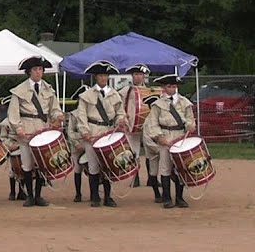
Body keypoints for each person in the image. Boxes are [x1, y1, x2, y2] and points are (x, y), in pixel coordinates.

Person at [6, 56, 64, 207]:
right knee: (27, 165)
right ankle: (29, 196)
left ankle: (38, 195)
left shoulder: (48, 89)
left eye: (40, 69)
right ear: (29, 72)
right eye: (35, 69)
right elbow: (13, 113)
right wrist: (18, 128)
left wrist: (58, 117)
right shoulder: (19, 91)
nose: (38, 72)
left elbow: (55, 108)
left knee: (41, 164)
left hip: (43, 130)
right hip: (26, 130)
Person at [76, 61, 128, 207]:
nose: (103, 78)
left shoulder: (115, 94)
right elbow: (82, 116)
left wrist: (120, 121)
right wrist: (84, 131)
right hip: (93, 130)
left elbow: (120, 113)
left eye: (105, 75)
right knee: (93, 166)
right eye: (101, 75)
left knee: (108, 165)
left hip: (108, 132)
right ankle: (94, 197)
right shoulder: (86, 95)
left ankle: (108, 196)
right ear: (96, 77)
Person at [143, 73, 197, 208]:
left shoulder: (185, 102)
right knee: (165, 168)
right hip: (165, 136)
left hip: (180, 136)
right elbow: (153, 123)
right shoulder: (157, 104)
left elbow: (190, 118)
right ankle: (166, 197)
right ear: (164, 88)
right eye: (169, 86)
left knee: (181, 167)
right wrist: (159, 137)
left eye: (174, 86)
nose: (172, 89)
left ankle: (180, 197)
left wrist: (191, 126)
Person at [121, 64, 158, 194]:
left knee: (150, 149)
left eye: (140, 74)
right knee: (133, 151)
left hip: (146, 124)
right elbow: (119, 104)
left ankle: (151, 178)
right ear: (132, 76)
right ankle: (135, 177)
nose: (138, 77)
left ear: (144, 76)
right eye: (136, 74)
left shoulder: (149, 90)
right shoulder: (126, 90)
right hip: (131, 124)